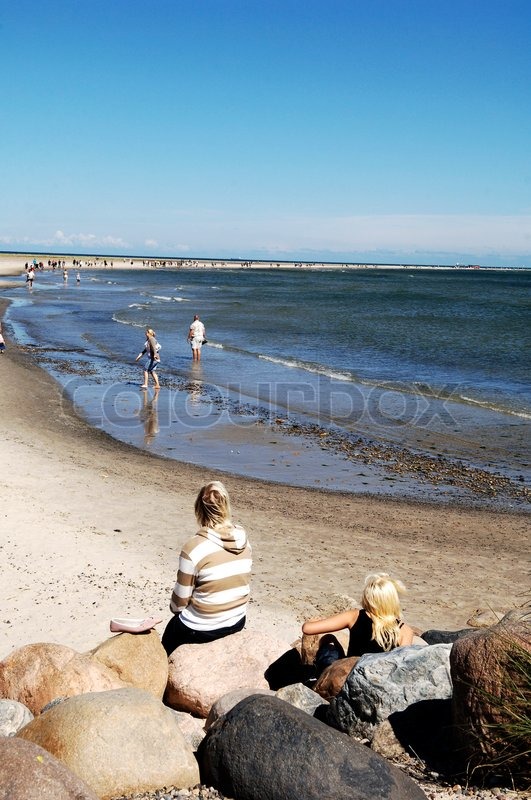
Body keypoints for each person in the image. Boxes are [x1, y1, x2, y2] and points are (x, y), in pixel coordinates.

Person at [161, 481, 252, 656]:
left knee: (172, 630)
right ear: (226, 507)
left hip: (202, 628)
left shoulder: (194, 548)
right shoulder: (244, 540)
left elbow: (178, 605)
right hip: (237, 620)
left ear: (199, 510)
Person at [302, 573, 414, 673]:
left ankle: (317, 677)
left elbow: (307, 629)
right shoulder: (405, 630)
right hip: (380, 680)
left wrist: (316, 622)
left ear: (368, 598)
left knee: (329, 639)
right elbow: (401, 665)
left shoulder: (354, 616)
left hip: (350, 675)